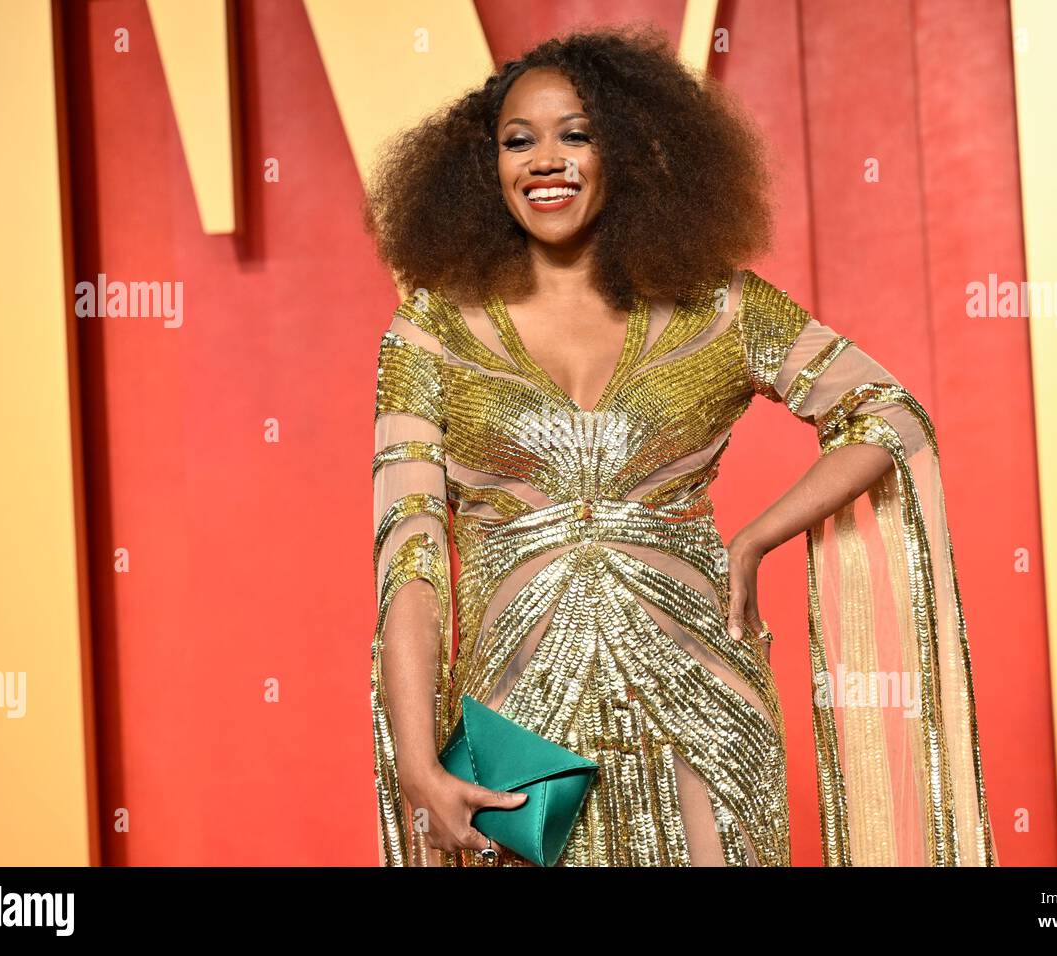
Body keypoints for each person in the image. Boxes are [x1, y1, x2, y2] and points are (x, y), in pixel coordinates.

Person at [362, 26, 998, 867]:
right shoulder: (432, 328)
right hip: (523, 737)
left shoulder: (718, 307)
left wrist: (757, 536)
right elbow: (408, 556)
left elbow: (888, 412)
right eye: (518, 141)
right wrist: (416, 765)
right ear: (486, 168)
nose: (544, 160)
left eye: (575, 134)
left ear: (624, 152)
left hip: (704, 713)